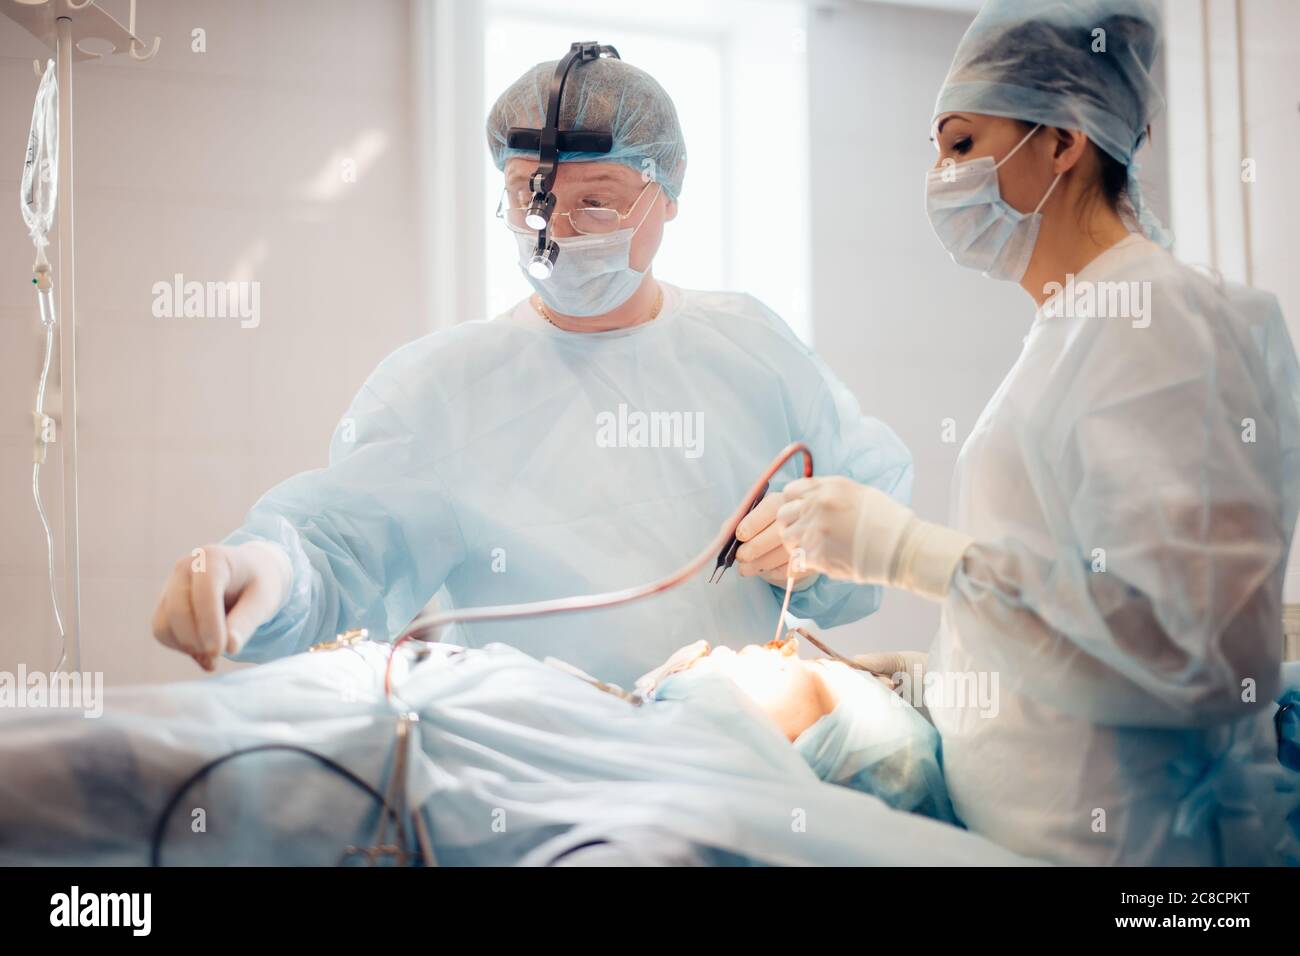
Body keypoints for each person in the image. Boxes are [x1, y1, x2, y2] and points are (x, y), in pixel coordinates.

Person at [149, 52, 911, 688]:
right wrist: (266, 572)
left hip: (742, 756)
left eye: (598, 201)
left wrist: (815, 550)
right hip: (542, 770)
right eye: (530, 197)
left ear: (668, 193)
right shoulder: (446, 389)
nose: (559, 231)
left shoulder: (750, 347)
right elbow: (341, 543)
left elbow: (866, 504)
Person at [775, 0, 1300, 865]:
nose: (940, 175)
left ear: (1063, 141)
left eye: (962, 144)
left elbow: (1195, 647)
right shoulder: (1070, 332)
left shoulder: (1155, 320)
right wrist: (938, 677)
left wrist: (906, 551)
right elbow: (1072, 607)